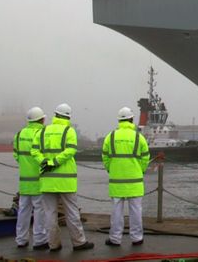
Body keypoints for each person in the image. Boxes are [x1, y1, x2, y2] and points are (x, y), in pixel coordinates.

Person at [31, 103, 94, 252]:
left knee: (49, 214)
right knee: (72, 212)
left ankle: (53, 244)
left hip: (47, 180)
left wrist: (45, 162)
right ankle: (79, 242)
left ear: (55, 115)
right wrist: (55, 162)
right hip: (66, 180)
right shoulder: (69, 131)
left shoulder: (42, 132)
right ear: (68, 116)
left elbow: (34, 151)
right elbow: (71, 150)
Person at [102, 106, 151, 247]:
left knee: (116, 212)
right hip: (135, 182)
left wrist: (111, 169)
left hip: (116, 181)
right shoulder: (138, 137)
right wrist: (139, 170)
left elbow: (105, 157)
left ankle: (115, 239)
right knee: (136, 211)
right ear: (131, 119)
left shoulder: (110, 137)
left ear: (119, 120)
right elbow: (145, 157)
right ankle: (137, 238)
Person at [13, 106, 49, 249]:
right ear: (42, 119)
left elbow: (16, 155)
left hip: (24, 180)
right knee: (40, 211)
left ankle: (21, 239)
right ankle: (39, 240)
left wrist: (25, 165)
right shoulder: (42, 134)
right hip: (39, 180)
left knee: (23, 210)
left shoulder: (20, 134)